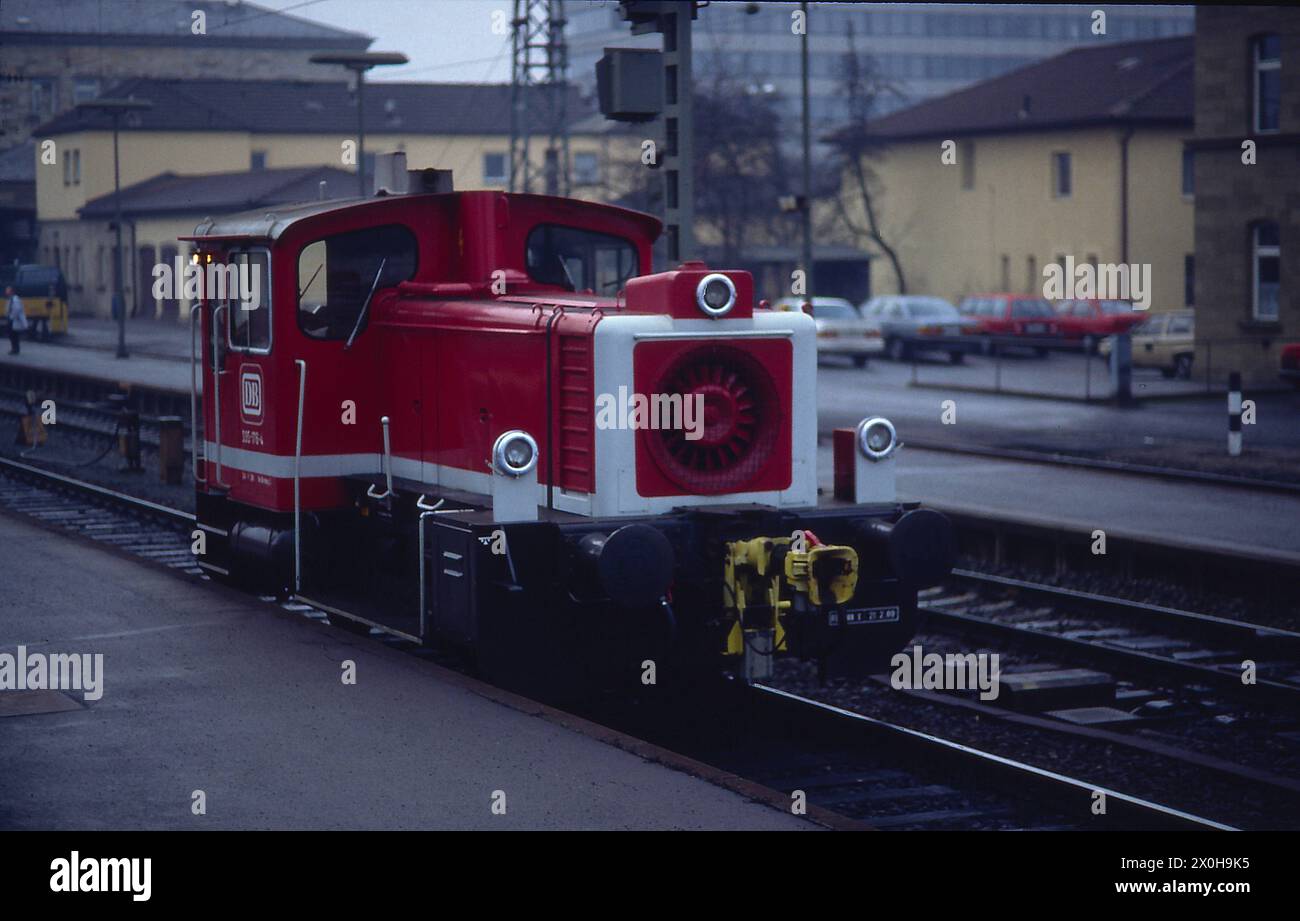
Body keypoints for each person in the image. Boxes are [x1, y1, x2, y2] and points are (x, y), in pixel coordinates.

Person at [5, 285, 28, 355]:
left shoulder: (15, 299)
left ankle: (15, 349)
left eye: (7, 290)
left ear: (11, 291)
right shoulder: (11, 298)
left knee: (13, 335)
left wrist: (11, 317)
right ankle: (14, 349)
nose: (6, 291)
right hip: (11, 319)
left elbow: (17, 309)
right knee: (12, 335)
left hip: (13, 320)